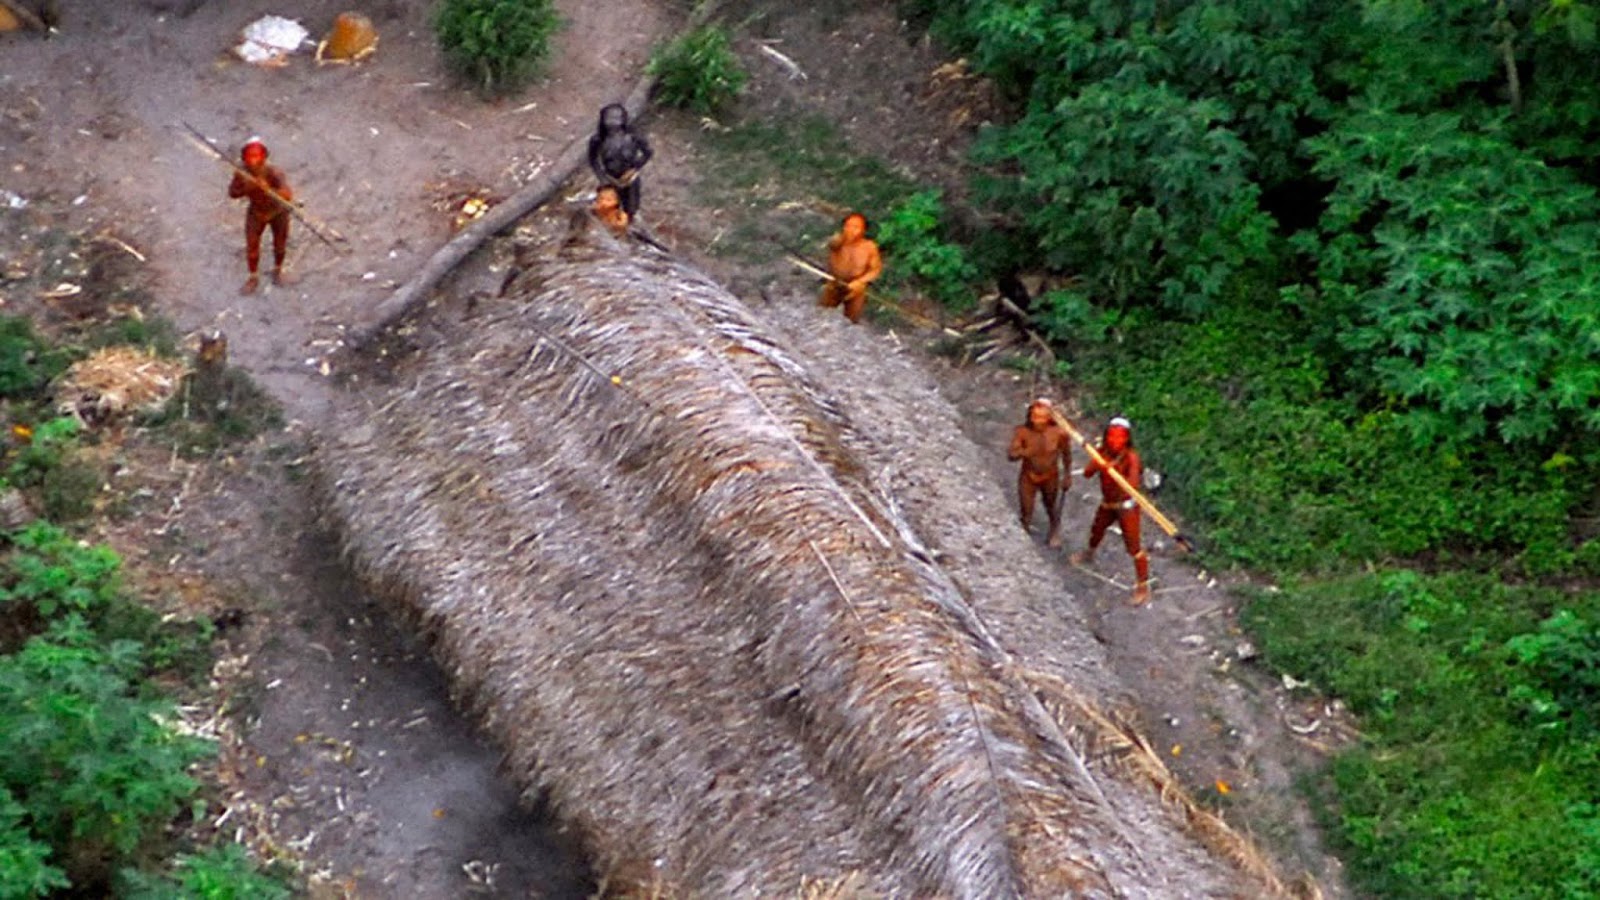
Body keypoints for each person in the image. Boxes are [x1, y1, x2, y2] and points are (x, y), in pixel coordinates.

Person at [1070, 416, 1151, 604]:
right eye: (1112, 437)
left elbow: (1132, 485)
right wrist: (1099, 464)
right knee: (1097, 529)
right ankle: (1089, 554)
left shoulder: (1131, 457)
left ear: (1127, 439)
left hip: (1126, 507)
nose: (1115, 441)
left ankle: (1142, 587)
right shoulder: (1102, 452)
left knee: (1134, 547)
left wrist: (1111, 470)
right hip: (1108, 503)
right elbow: (1088, 473)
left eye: (1120, 437)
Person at [226, 137, 293, 294]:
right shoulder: (242, 174)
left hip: (278, 212)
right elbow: (232, 193)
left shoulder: (273, 172)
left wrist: (268, 189)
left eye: (257, 157)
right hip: (256, 213)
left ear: (264, 157)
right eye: (250, 157)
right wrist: (246, 188)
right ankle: (253, 277)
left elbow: (287, 194)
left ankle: (278, 270)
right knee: (252, 247)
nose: (254, 161)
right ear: (245, 158)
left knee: (280, 244)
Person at [1007, 398, 1071, 547]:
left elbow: (1066, 455)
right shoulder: (1022, 432)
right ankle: (1024, 535)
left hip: (1050, 476)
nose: (1038, 421)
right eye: (1034, 417)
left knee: (1050, 505)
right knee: (1026, 508)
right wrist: (1025, 452)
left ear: (1049, 418)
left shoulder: (1059, 434)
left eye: (1042, 418)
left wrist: (1067, 475)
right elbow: (1011, 455)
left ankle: (1054, 530)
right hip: (1028, 476)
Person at [587, 103, 653, 218]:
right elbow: (593, 160)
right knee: (611, 206)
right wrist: (602, 177)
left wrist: (635, 168)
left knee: (631, 208)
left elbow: (648, 152)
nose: (613, 122)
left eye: (617, 118)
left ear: (624, 119)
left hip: (629, 178)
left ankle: (631, 223)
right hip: (610, 177)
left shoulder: (633, 136)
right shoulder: (598, 139)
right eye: (609, 118)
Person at [819, 212, 882, 324]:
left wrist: (860, 281)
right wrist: (837, 240)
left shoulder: (870, 247)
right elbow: (832, 245)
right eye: (848, 226)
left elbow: (875, 270)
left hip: (855, 287)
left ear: (864, 230)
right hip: (834, 282)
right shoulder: (839, 241)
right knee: (822, 313)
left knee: (852, 319)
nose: (851, 230)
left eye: (856, 227)